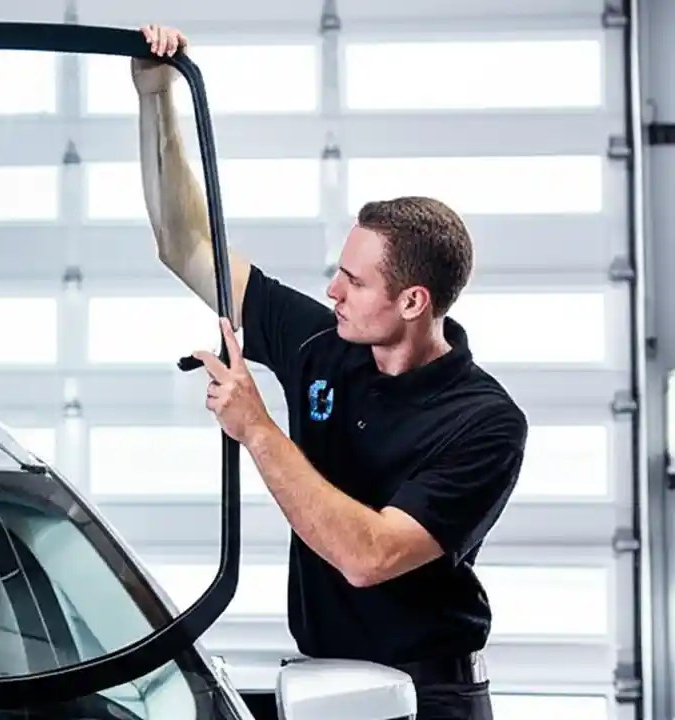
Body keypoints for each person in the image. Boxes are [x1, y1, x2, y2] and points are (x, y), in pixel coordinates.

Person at [132, 24, 529, 720]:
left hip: (427, 695)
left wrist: (257, 428)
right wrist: (156, 95)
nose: (332, 291)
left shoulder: (484, 423)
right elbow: (185, 244)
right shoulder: (326, 343)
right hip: (323, 683)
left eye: (353, 280)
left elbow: (368, 555)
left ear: (413, 301)